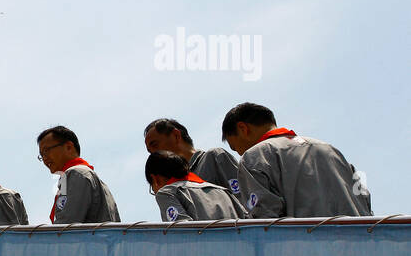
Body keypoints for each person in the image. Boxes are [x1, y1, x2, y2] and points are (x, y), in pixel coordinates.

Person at [220, 102, 373, 218]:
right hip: (360, 253)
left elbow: (264, 221)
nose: (240, 154)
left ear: (243, 129)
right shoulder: (331, 151)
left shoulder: (254, 157)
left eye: (235, 147)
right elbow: (365, 204)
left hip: (306, 254)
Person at [37, 126, 121, 223]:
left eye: (47, 151)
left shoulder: (77, 174)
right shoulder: (87, 175)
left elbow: (66, 226)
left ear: (69, 147)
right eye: (42, 155)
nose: (45, 158)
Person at [142, 117, 242, 196]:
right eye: (150, 152)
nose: (153, 155)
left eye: (155, 145)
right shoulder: (171, 184)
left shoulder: (214, 158)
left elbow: (242, 196)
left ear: (176, 136)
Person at [145, 150, 247, 221]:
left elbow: (181, 232)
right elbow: (248, 221)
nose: (156, 192)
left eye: (153, 190)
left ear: (155, 179)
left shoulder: (167, 193)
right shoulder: (224, 191)